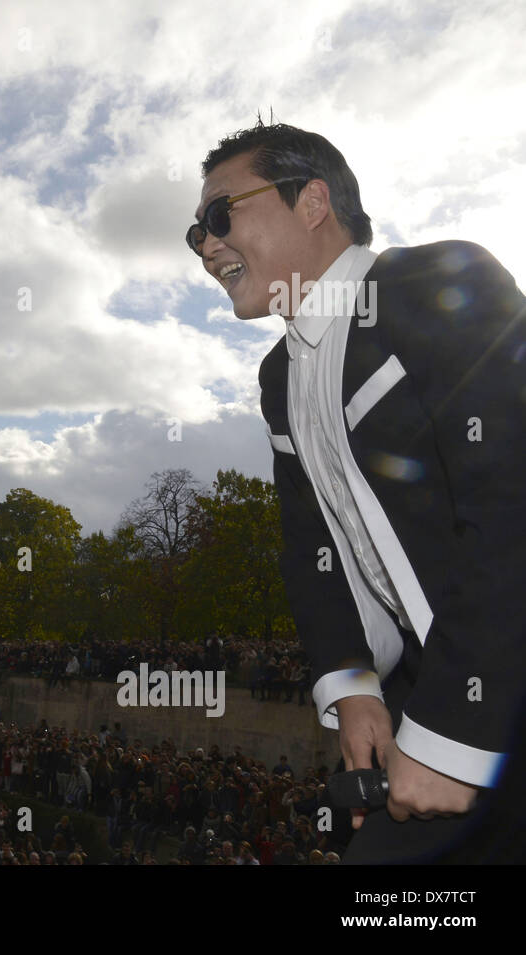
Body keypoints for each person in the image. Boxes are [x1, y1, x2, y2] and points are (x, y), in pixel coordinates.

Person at [191, 121, 526, 862]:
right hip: (431, 700)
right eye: (196, 233)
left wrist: (453, 734)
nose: (207, 246)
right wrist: (350, 687)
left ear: (312, 201)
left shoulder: (441, 283)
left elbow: (512, 506)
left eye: (220, 216)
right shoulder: (278, 379)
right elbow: (310, 548)